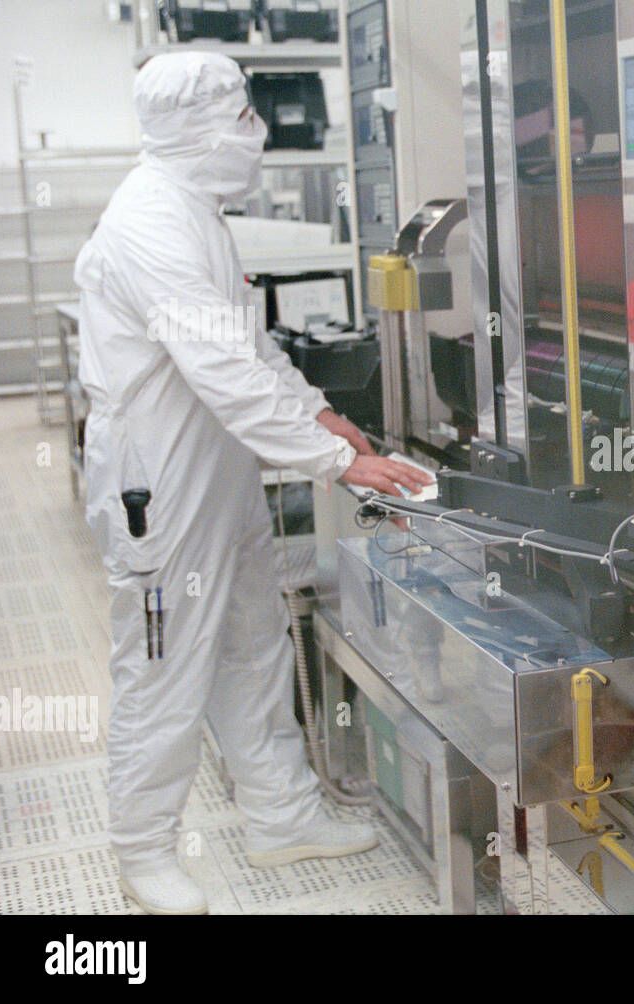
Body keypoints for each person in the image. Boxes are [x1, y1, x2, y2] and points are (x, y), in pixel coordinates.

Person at [73, 51, 429, 915]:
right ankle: (144, 847)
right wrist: (335, 462)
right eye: (239, 120)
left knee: (251, 640)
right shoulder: (151, 222)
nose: (255, 135)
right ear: (195, 132)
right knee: (164, 664)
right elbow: (222, 368)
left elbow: (250, 343)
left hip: (219, 464)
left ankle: (279, 813)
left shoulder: (198, 212)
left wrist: (317, 416)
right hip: (156, 480)